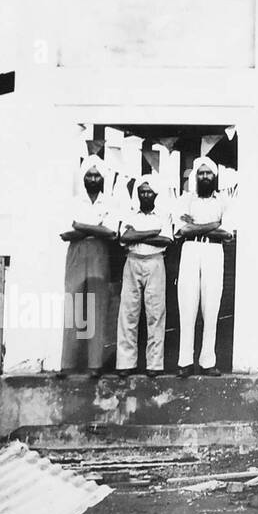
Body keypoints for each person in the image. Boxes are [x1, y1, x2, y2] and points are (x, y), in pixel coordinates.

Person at [173, 157, 234, 377]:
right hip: (190, 250)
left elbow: (226, 232)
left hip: (214, 251)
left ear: (214, 176)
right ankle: (184, 362)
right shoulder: (186, 199)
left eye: (209, 173)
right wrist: (213, 224)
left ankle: (208, 361)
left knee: (211, 306)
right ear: (195, 176)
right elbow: (183, 230)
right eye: (201, 173)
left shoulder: (223, 200)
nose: (205, 177)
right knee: (187, 305)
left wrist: (196, 226)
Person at [60, 156, 118, 378]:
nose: (93, 179)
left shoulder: (109, 203)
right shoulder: (74, 201)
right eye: (89, 175)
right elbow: (67, 234)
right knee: (74, 307)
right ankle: (68, 364)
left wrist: (81, 226)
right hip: (76, 253)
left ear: (102, 178)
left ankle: (95, 364)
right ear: (83, 177)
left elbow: (112, 233)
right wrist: (97, 227)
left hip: (99, 253)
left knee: (97, 308)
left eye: (97, 175)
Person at [115, 175, 173, 378]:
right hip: (132, 261)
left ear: (155, 194)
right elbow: (124, 237)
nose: (145, 195)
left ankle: (154, 364)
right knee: (128, 312)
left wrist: (138, 233)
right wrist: (151, 233)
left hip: (155, 262)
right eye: (142, 191)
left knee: (155, 313)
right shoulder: (130, 214)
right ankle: (125, 363)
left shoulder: (163, 215)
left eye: (149, 192)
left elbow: (166, 239)